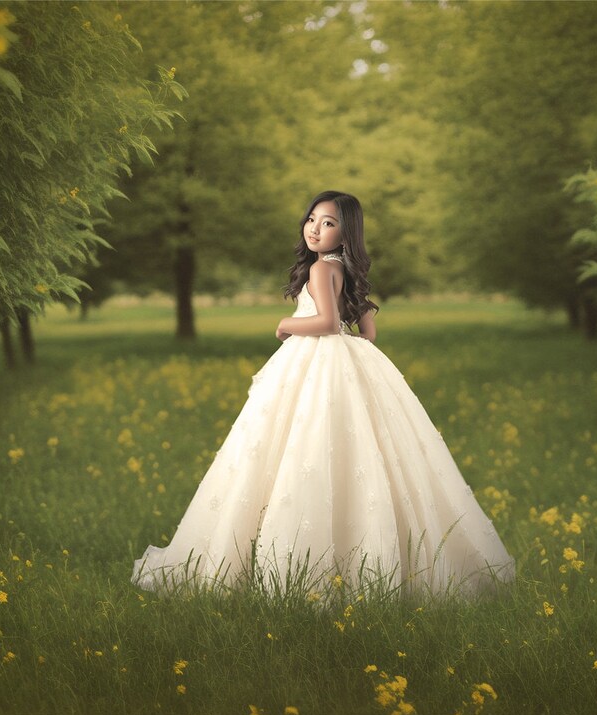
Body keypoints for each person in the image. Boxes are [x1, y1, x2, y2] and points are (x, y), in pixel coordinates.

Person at [132, 191, 515, 596]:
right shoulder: (347, 271)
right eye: (312, 219)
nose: (315, 228)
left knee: (295, 445)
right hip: (348, 365)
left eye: (328, 223)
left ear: (345, 232)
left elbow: (328, 323)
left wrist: (285, 323)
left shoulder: (320, 270)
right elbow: (366, 331)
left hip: (315, 363)